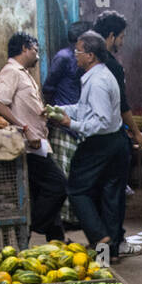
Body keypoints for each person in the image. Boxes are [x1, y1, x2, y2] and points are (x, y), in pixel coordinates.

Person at [48, 31, 124, 257]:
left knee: (77, 189)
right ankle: (107, 254)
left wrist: (72, 124)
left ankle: (100, 238)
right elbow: (85, 108)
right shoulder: (97, 76)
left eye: (78, 51)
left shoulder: (98, 82)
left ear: (90, 55)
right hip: (114, 142)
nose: (75, 55)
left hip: (101, 143)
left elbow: (100, 121)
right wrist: (61, 110)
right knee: (108, 196)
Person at [0, 32, 66, 243]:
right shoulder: (11, 71)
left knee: (39, 192)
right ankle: (32, 224)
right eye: (36, 50)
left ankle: (57, 242)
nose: (38, 56)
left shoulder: (23, 73)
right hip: (27, 145)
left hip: (39, 143)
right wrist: (24, 127)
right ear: (25, 48)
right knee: (58, 185)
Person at [92, 10, 142, 259]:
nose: (122, 42)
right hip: (112, 140)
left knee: (101, 196)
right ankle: (110, 250)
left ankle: (106, 249)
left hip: (94, 141)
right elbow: (123, 106)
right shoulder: (111, 66)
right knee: (113, 196)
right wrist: (136, 134)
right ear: (111, 36)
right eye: (121, 37)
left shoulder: (90, 64)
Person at [44, 21, 92, 230]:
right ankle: (63, 218)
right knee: (63, 171)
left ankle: (77, 215)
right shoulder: (63, 57)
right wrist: (52, 115)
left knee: (78, 170)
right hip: (63, 123)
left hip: (80, 122)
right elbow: (49, 87)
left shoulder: (88, 61)